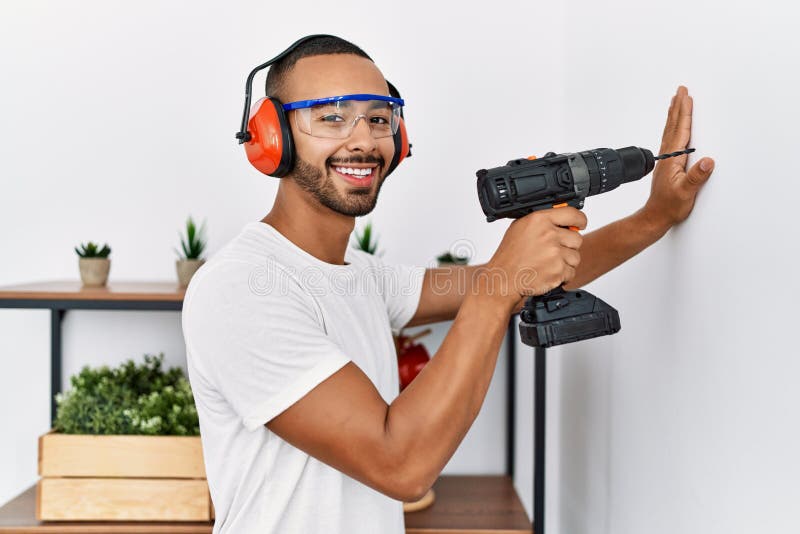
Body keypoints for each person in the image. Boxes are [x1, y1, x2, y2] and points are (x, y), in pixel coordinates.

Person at [181, 35, 715, 534]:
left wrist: (654, 217)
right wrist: (497, 292)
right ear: (272, 137)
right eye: (332, 117)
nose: (363, 140)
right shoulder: (241, 288)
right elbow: (401, 465)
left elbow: (517, 276)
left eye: (379, 118)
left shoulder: (361, 276)